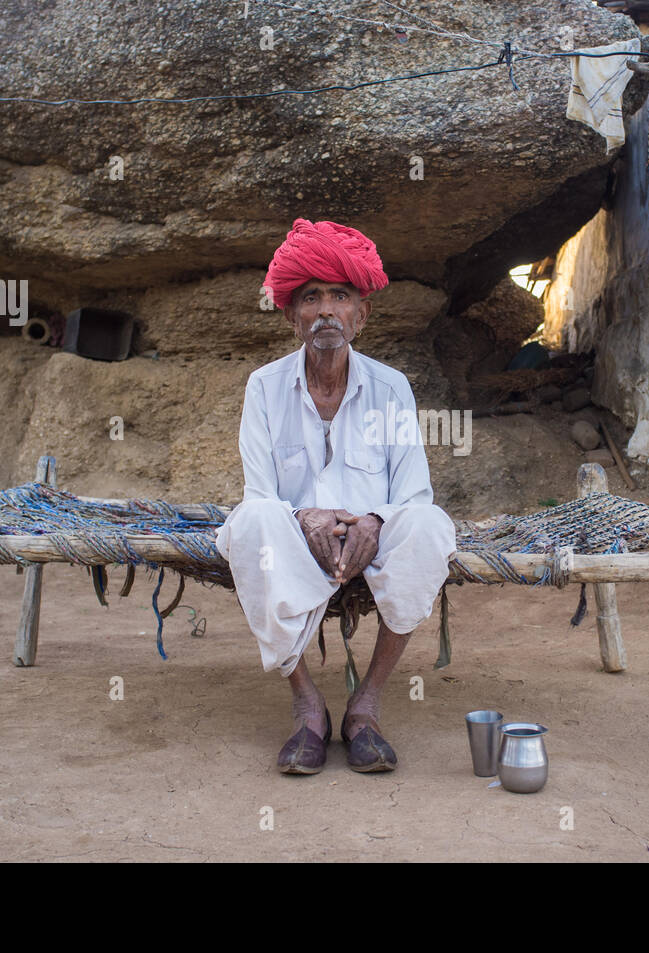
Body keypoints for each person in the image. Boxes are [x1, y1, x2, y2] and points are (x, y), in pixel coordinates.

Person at [215, 219, 457, 775]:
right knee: (251, 523)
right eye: (311, 298)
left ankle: (366, 704)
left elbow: (414, 493)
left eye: (341, 296)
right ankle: (306, 706)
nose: (326, 311)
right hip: (298, 538)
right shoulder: (264, 387)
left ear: (361, 315)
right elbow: (261, 494)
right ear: (290, 315)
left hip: (373, 539)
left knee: (429, 525)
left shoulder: (392, 386)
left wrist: (375, 519)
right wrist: (305, 518)